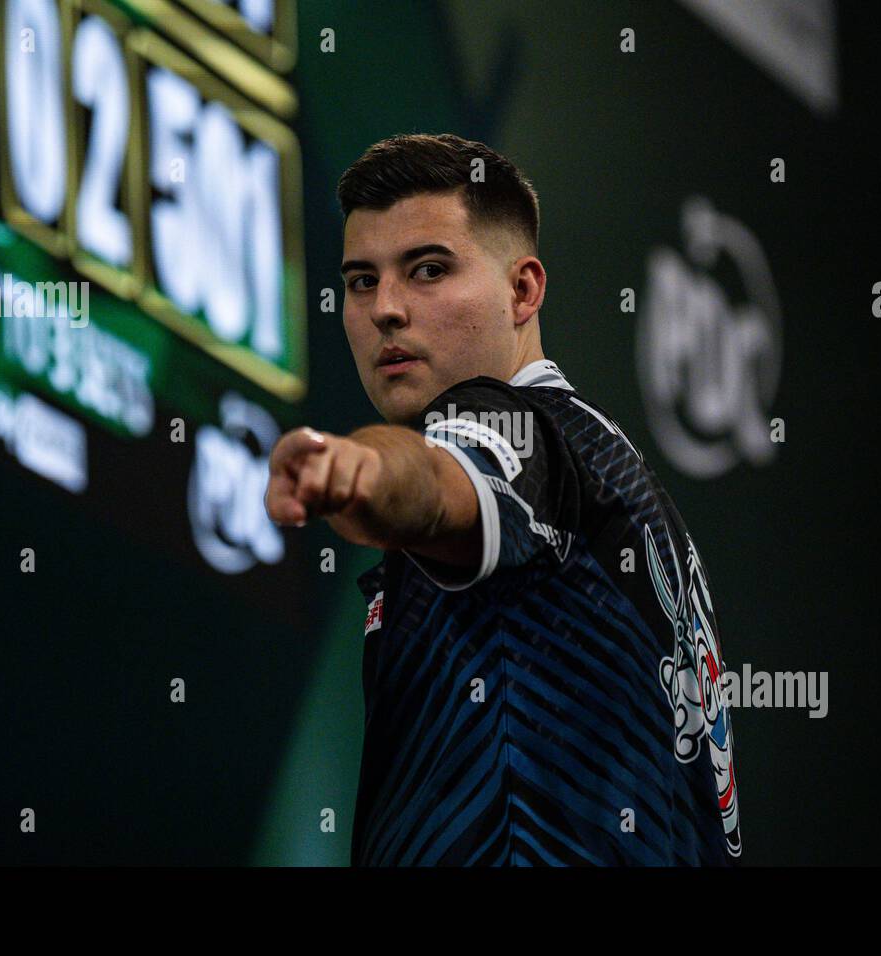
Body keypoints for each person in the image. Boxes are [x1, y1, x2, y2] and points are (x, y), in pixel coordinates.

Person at [265, 133, 741, 866]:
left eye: (428, 270)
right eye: (361, 281)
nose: (386, 308)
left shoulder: (522, 424)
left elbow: (435, 481)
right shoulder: (607, 474)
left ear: (523, 290)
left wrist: (363, 467)